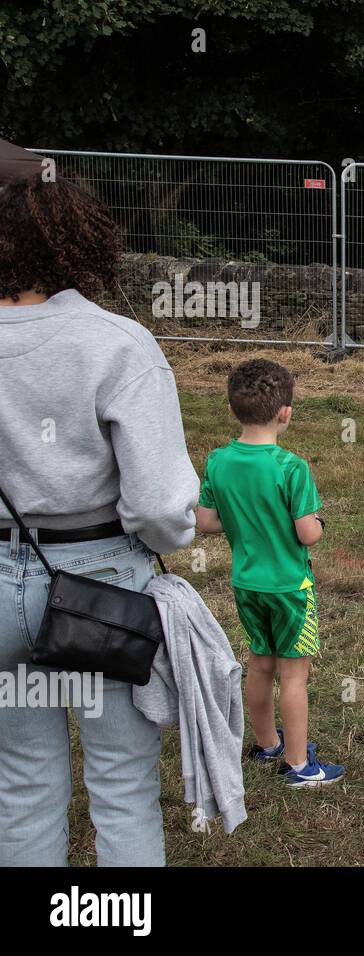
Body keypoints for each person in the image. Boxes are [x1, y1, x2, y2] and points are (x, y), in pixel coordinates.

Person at [0, 173, 198, 865]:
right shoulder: (116, 342)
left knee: (21, 782)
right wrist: (175, 539)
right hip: (104, 587)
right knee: (121, 782)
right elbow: (158, 506)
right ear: (79, 239)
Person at [195, 359, 343, 787]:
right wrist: (317, 524)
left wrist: (246, 520)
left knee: (259, 663)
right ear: (285, 413)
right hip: (291, 588)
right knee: (294, 675)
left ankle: (265, 744)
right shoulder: (291, 467)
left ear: (231, 411)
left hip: (246, 584)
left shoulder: (218, 460)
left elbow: (205, 523)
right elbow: (308, 533)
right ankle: (299, 766)